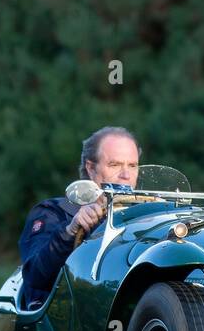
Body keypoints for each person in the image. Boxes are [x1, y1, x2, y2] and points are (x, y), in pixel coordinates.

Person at [17, 126, 140, 307]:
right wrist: (70, 231)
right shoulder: (53, 212)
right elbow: (35, 275)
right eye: (114, 165)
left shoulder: (144, 217)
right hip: (66, 314)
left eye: (132, 165)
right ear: (91, 168)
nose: (126, 175)